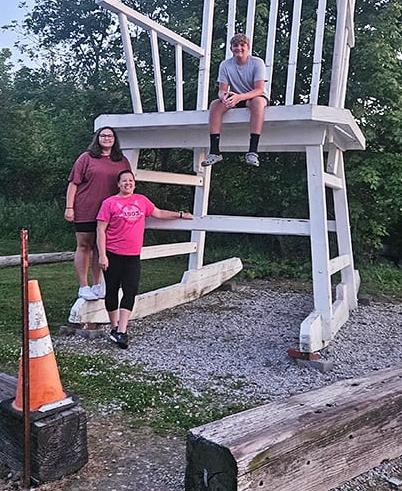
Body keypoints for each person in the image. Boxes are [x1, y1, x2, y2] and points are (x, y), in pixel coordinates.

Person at [96, 170, 193, 349]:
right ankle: (114, 327)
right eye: (124, 181)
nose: (128, 183)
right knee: (111, 292)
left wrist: (181, 214)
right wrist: (102, 255)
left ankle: (122, 332)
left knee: (130, 290)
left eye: (130, 180)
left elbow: (160, 213)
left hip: (133, 255)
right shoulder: (109, 203)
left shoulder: (141, 200)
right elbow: (100, 230)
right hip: (112, 254)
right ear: (118, 184)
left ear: (134, 183)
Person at [64, 127, 131, 300]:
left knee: (101, 248)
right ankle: (83, 286)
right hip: (86, 208)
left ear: (115, 139)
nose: (107, 138)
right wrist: (69, 207)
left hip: (110, 212)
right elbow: (73, 183)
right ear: (97, 138)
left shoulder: (122, 161)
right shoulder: (86, 158)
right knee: (85, 245)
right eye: (103, 135)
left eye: (110, 136)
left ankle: (97, 284)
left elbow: (127, 184)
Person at [201, 32, 269, 168]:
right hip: (235, 97)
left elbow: (259, 90)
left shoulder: (257, 63)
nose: (239, 48)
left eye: (242, 45)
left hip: (254, 96)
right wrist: (224, 97)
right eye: (235, 45)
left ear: (248, 47)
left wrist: (239, 97)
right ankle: (214, 151)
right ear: (231, 48)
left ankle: (253, 151)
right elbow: (222, 90)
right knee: (215, 105)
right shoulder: (225, 65)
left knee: (257, 102)